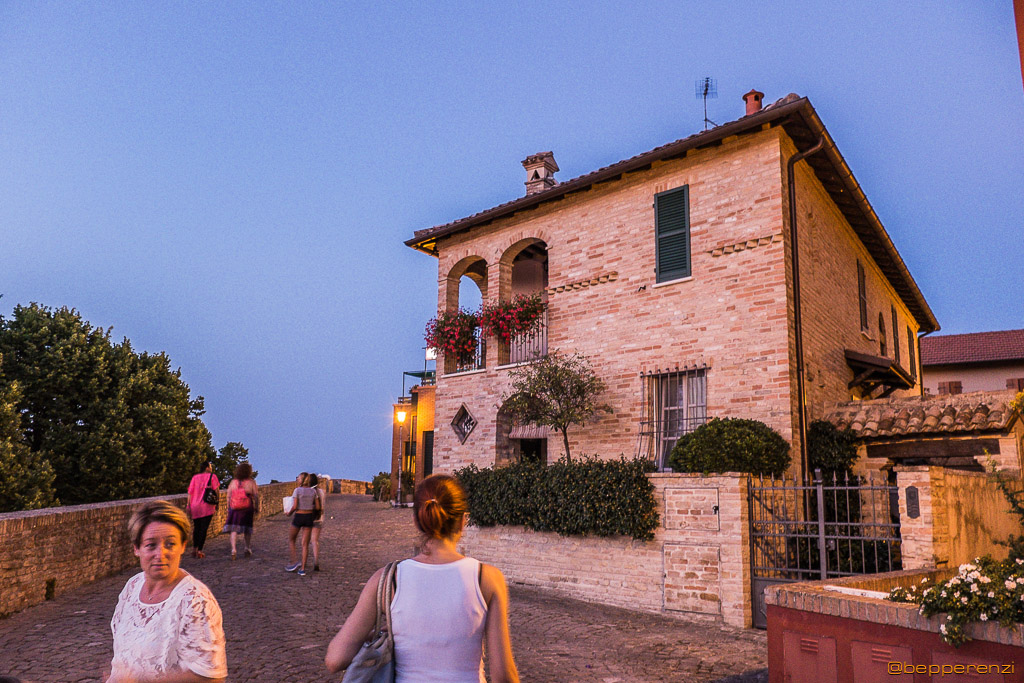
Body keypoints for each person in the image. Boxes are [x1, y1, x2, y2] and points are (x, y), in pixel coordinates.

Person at [325, 474, 519, 682]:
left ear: (417, 520)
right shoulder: (487, 579)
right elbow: (503, 676)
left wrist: (376, 635)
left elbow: (335, 659)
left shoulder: (388, 580)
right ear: (463, 521)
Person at [105, 500, 227, 683]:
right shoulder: (133, 586)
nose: (160, 554)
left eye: (170, 544)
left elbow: (210, 678)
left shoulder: (195, 601)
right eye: (151, 545)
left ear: (183, 546)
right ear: (136, 548)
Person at [222, 462, 259, 560]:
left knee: (234, 529)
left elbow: (228, 496)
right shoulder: (251, 482)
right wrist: (257, 507)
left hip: (235, 509)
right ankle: (247, 547)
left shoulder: (233, 482)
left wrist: (228, 507)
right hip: (247, 508)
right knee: (247, 529)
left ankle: (233, 549)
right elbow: (256, 496)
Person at [286, 473, 320, 576]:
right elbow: (318, 507)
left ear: (302, 480)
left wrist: (289, 513)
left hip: (299, 517)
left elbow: (295, 506)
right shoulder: (313, 491)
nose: (297, 479)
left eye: (298, 478)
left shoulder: (297, 490)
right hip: (309, 517)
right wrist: (309, 506)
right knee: (305, 544)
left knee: (292, 539)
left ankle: (294, 561)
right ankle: (303, 569)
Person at [185, 461, 219, 559]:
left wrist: (188, 505)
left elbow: (190, 493)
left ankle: (194, 549)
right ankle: (200, 550)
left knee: (197, 528)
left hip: (195, 506)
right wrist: (217, 503)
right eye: (210, 466)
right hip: (207, 506)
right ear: (207, 468)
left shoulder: (195, 478)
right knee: (203, 529)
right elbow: (216, 491)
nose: (211, 468)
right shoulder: (212, 477)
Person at [308, 473, 326, 571]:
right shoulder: (321, 492)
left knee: (305, 541)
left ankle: (304, 561)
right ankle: (316, 561)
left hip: (308, 518)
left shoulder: (309, 492)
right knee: (315, 541)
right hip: (319, 519)